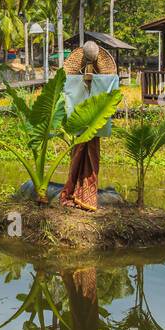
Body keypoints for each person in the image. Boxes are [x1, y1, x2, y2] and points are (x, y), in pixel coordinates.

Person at [59, 40, 116, 211]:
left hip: (83, 126)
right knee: (87, 156)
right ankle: (82, 195)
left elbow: (69, 86)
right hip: (88, 125)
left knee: (81, 155)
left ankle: (78, 193)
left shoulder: (75, 80)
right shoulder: (105, 81)